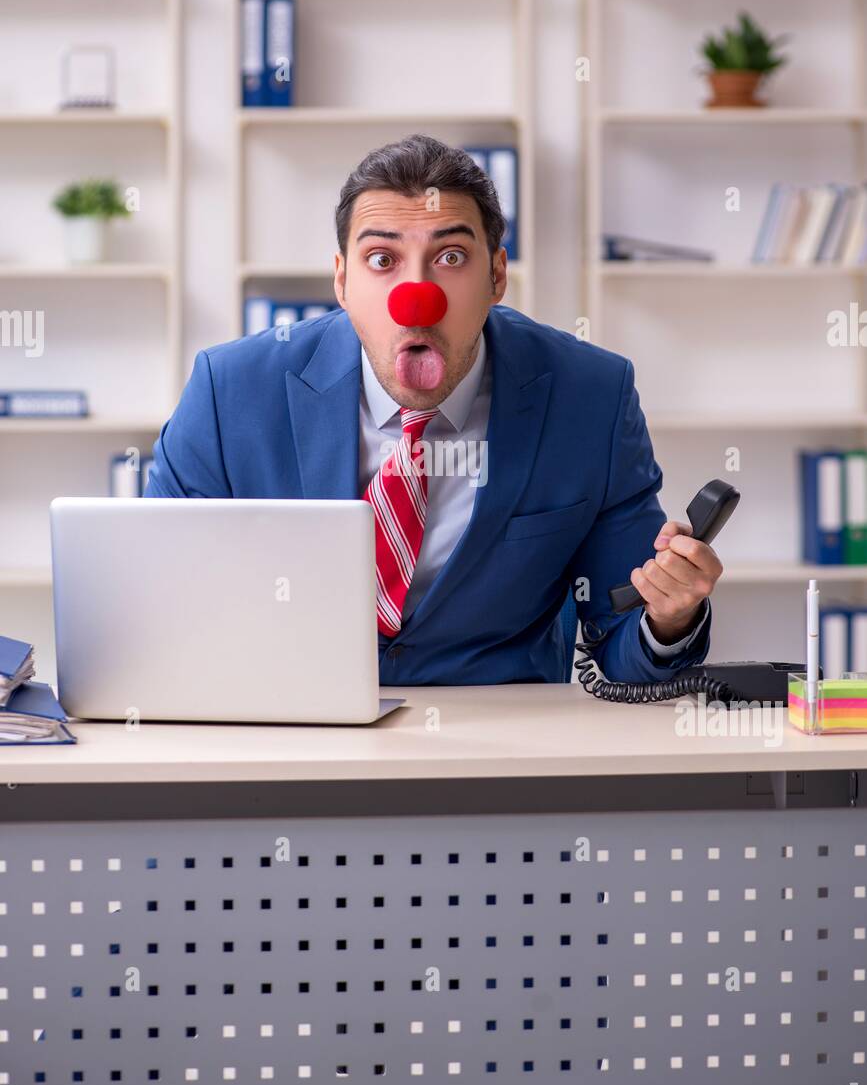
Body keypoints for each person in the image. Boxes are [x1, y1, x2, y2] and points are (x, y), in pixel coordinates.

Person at [145, 133, 720, 686]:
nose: (416, 297)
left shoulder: (590, 396)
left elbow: (621, 634)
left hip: (500, 751)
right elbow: (158, 599)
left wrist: (669, 617)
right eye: (381, 258)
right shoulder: (229, 392)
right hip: (283, 738)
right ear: (341, 280)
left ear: (496, 275)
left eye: (449, 256)